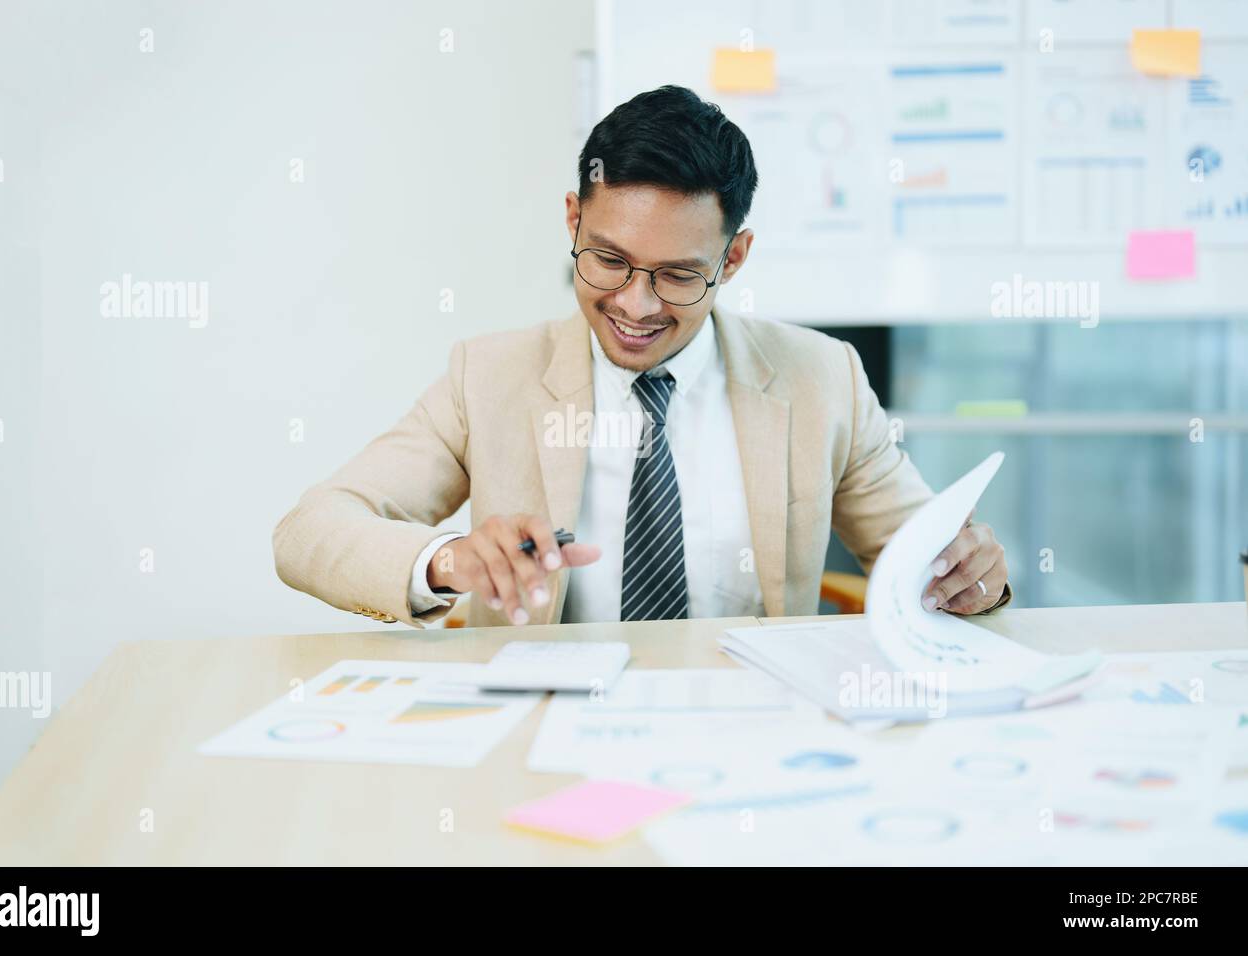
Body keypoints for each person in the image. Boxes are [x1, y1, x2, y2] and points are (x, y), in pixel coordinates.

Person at [273, 85, 1010, 628]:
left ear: (735, 257)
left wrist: (975, 579)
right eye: (609, 260)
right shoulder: (490, 376)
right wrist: (446, 559)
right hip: (549, 729)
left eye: (680, 275)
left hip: (753, 730)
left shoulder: (823, 380)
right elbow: (309, 532)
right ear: (574, 218)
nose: (636, 304)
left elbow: (927, 558)